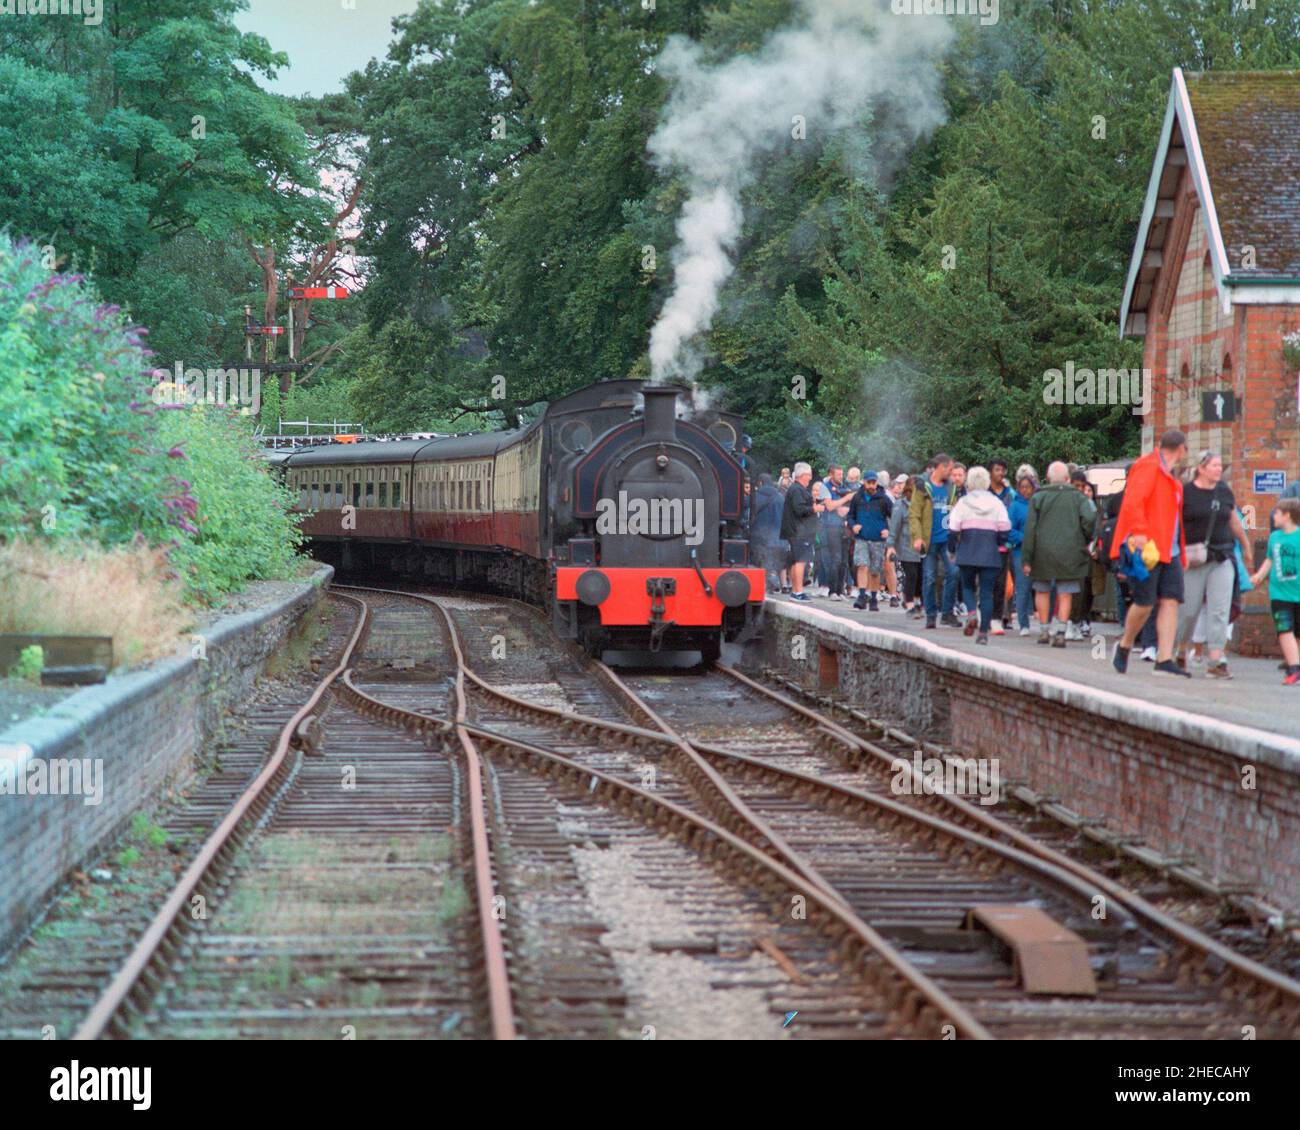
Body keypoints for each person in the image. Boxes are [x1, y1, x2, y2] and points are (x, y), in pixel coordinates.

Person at [1111, 429, 1190, 676]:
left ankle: (1164, 658)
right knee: (1144, 603)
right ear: (1181, 449)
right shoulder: (1148, 467)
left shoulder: (1173, 480)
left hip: (1170, 550)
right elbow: (1134, 501)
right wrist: (1140, 532)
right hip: (1147, 549)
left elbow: (1176, 521)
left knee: (1171, 600)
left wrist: (1182, 554)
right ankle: (1125, 645)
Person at [1175, 452, 1253, 678]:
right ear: (1201, 468)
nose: (1219, 469)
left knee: (1219, 609)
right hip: (1194, 557)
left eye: (1220, 466)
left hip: (1222, 556)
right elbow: (1175, 522)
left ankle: (1215, 659)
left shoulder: (1224, 491)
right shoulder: (1186, 492)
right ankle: (1179, 650)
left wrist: (1245, 546)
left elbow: (1233, 520)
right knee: (1189, 610)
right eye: (1215, 465)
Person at [1022, 461, 1097, 647]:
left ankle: (1044, 630)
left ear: (1048, 478)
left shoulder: (1038, 498)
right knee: (1066, 591)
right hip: (1071, 550)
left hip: (1042, 551)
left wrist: (1027, 558)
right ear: (1067, 478)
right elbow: (1089, 519)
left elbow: (1030, 529)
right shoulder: (1078, 498)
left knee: (1042, 588)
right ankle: (1062, 631)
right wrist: (1085, 539)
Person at [948, 466, 1011, 644]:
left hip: (967, 550)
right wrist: (999, 543)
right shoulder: (996, 502)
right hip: (990, 552)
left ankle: (972, 614)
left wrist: (952, 550)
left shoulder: (963, 502)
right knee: (987, 593)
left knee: (968, 587)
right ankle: (983, 633)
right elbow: (1005, 528)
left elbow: (953, 528)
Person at [1249, 499, 1300, 685]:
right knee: (1284, 629)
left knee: (1297, 632)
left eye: (1277, 513)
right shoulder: (1274, 538)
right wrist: (1259, 575)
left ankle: (1295, 664)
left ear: (1287, 515)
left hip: (1298, 592)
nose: (1274, 516)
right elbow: (1270, 559)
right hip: (1280, 593)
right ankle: (1294, 668)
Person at [909, 454, 960, 629]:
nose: (952, 472)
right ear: (941, 467)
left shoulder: (951, 488)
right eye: (950, 469)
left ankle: (947, 613)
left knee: (953, 573)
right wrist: (917, 537)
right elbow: (914, 513)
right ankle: (931, 615)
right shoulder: (923, 486)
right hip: (929, 539)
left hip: (948, 539)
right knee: (929, 577)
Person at [849, 470, 893, 610]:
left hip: (878, 539)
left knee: (875, 570)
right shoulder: (857, 497)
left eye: (874, 483)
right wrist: (853, 525)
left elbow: (894, 517)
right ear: (864, 482)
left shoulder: (884, 499)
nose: (871, 486)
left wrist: (889, 531)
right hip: (861, 537)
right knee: (862, 565)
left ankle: (873, 598)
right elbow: (850, 516)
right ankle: (862, 596)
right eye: (869, 482)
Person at [780, 462, 821, 602]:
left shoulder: (795, 489)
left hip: (797, 530)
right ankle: (798, 592)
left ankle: (795, 591)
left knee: (795, 561)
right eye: (809, 475)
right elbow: (799, 509)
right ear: (803, 475)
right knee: (800, 561)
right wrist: (814, 509)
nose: (810, 478)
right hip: (800, 531)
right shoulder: (797, 490)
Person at [816, 464, 854, 600]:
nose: (841, 476)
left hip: (845, 526)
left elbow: (852, 505)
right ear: (831, 474)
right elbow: (830, 506)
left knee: (844, 561)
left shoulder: (845, 486)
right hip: (831, 526)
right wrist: (845, 500)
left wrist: (846, 508)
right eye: (838, 474)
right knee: (836, 559)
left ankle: (840, 591)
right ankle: (832, 591)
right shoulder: (824, 487)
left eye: (841, 474)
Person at [987, 458, 1014, 635]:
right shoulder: (984, 492)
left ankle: (997, 617)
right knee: (985, 581)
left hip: (1004, 543)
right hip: (986, 542)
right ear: (990, 472)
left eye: (1003, 470)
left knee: (1001, 582)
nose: (1000, 473)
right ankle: (984, 612)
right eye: (997, 470)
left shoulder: (1009, 493)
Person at [1007, 471, 1036, 635]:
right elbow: (1009, 529)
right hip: (1021, 551)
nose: (1025, 490)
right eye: (1022, 487)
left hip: (1040, 551)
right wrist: (1025, 539)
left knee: (1045, 586)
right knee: (1023, 586)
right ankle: (1023, 623)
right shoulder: (1015, 506)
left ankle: (1045, 618)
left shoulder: (1037, 503)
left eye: (1028, 487)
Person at [890, 477, 924, 616]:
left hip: (922, 546)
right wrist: (890, 545)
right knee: (911, 575)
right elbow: (894, 527)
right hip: (905, 546)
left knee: (921, 576)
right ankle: (909, 604)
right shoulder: (900, 505)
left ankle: (916, 601)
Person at [749, 472, 785, 594]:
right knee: (772, 559)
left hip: (760, 533)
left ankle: (769, 582)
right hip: (778, 534)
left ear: (760, 483)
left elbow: (751, 513)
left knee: (760, 558)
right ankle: (772, 583)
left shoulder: (757, 496)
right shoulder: (780, 497)